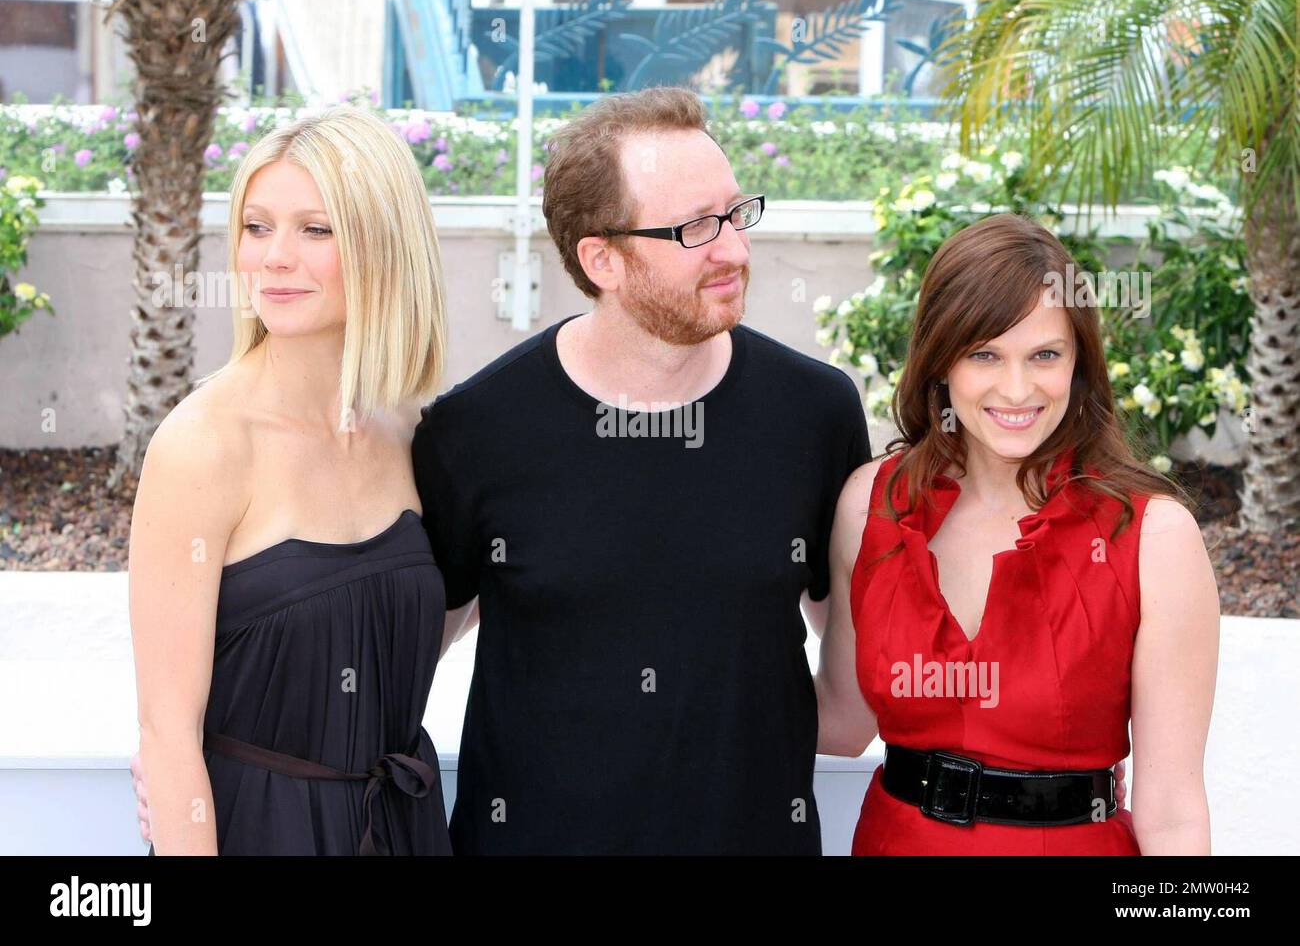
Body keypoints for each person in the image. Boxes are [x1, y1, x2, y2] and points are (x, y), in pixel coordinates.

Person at [411, 86, 871, 854]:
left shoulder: (815, 414)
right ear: (603, 259)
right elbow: (400, 677)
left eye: (735, 213)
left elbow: (852, 716)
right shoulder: (476, 432)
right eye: (696, 228)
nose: (733, 248)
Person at [815, 213, 1218, 854]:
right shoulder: (870, 503)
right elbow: (840, 721)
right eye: (984, 355)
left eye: (1045, 355)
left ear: (1079, 363)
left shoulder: (1154, 537)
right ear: (940, 361)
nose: (1017, 388)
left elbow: (1171, 811)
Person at [128, 104, 457, 854]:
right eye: (256, 226)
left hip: (402, 826)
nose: (275, 257)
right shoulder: (202, 446)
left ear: (384, 248)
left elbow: (409, 623)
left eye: (316, 229)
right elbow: (166, 734)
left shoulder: (409, 434)